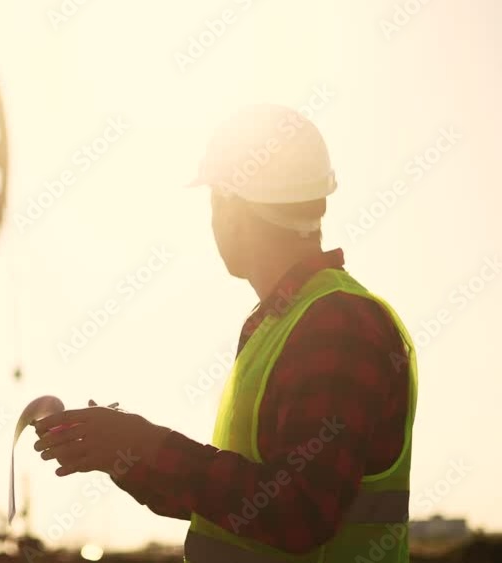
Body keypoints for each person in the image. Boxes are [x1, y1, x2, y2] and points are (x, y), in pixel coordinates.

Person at [33, 104, 418, 562]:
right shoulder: (286, 322)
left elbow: (299, 512)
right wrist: (122, 452)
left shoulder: (335, 324)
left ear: (229, 206)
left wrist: (142, 443)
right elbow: (231, 503)